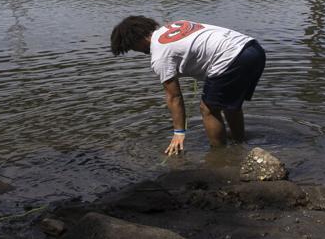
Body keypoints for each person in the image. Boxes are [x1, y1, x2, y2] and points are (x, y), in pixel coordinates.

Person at [109, 15, 267, 156]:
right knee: (229, 105)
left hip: (231, 57)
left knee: (209, 109)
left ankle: (219, 157)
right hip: (253, 49)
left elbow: (174, 96)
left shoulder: (159, 55)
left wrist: (179, 132)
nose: (137, 51)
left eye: (132, 48)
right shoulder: (175, 26)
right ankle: (240, 142)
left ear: (136, 41)